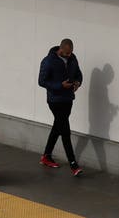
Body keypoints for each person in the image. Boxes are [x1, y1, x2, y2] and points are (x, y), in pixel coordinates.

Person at [38, 37, 83, 176]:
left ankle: (46, 156)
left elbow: (78, 74)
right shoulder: (48, 61)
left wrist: (77, 83)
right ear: (60, 49)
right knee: (65, 130)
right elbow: (42, 81)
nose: (69, 56)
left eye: (71, 53)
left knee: (58, 126)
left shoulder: (73, 58)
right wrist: (60, 86)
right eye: (67, 53)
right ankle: (73, 164)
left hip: (68, 98)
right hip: (55, 100)